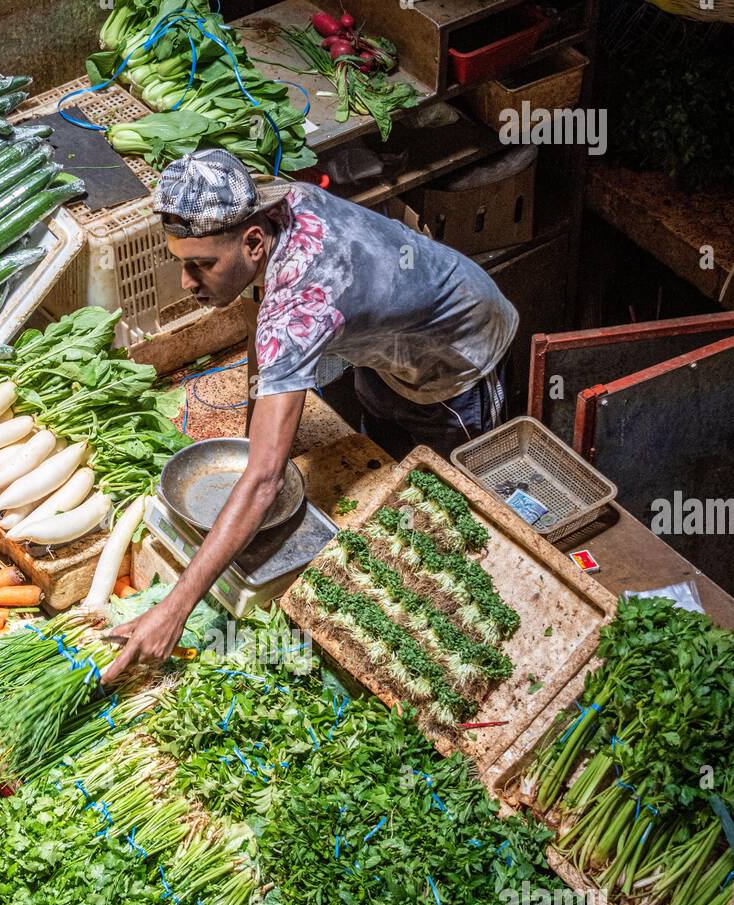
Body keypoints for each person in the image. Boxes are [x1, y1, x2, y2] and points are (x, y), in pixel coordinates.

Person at [102, 147, 518, 683]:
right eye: (181, 261)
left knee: (453, 510)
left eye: (200, 264)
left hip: (458, 355)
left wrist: (173, 610)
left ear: (253, 242)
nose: (187, 281)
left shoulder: (301, 307)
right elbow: (265, 324)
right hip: (385, 342)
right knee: (382, 459)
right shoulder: (272, 207)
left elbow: (264, 479)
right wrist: (258, 429)